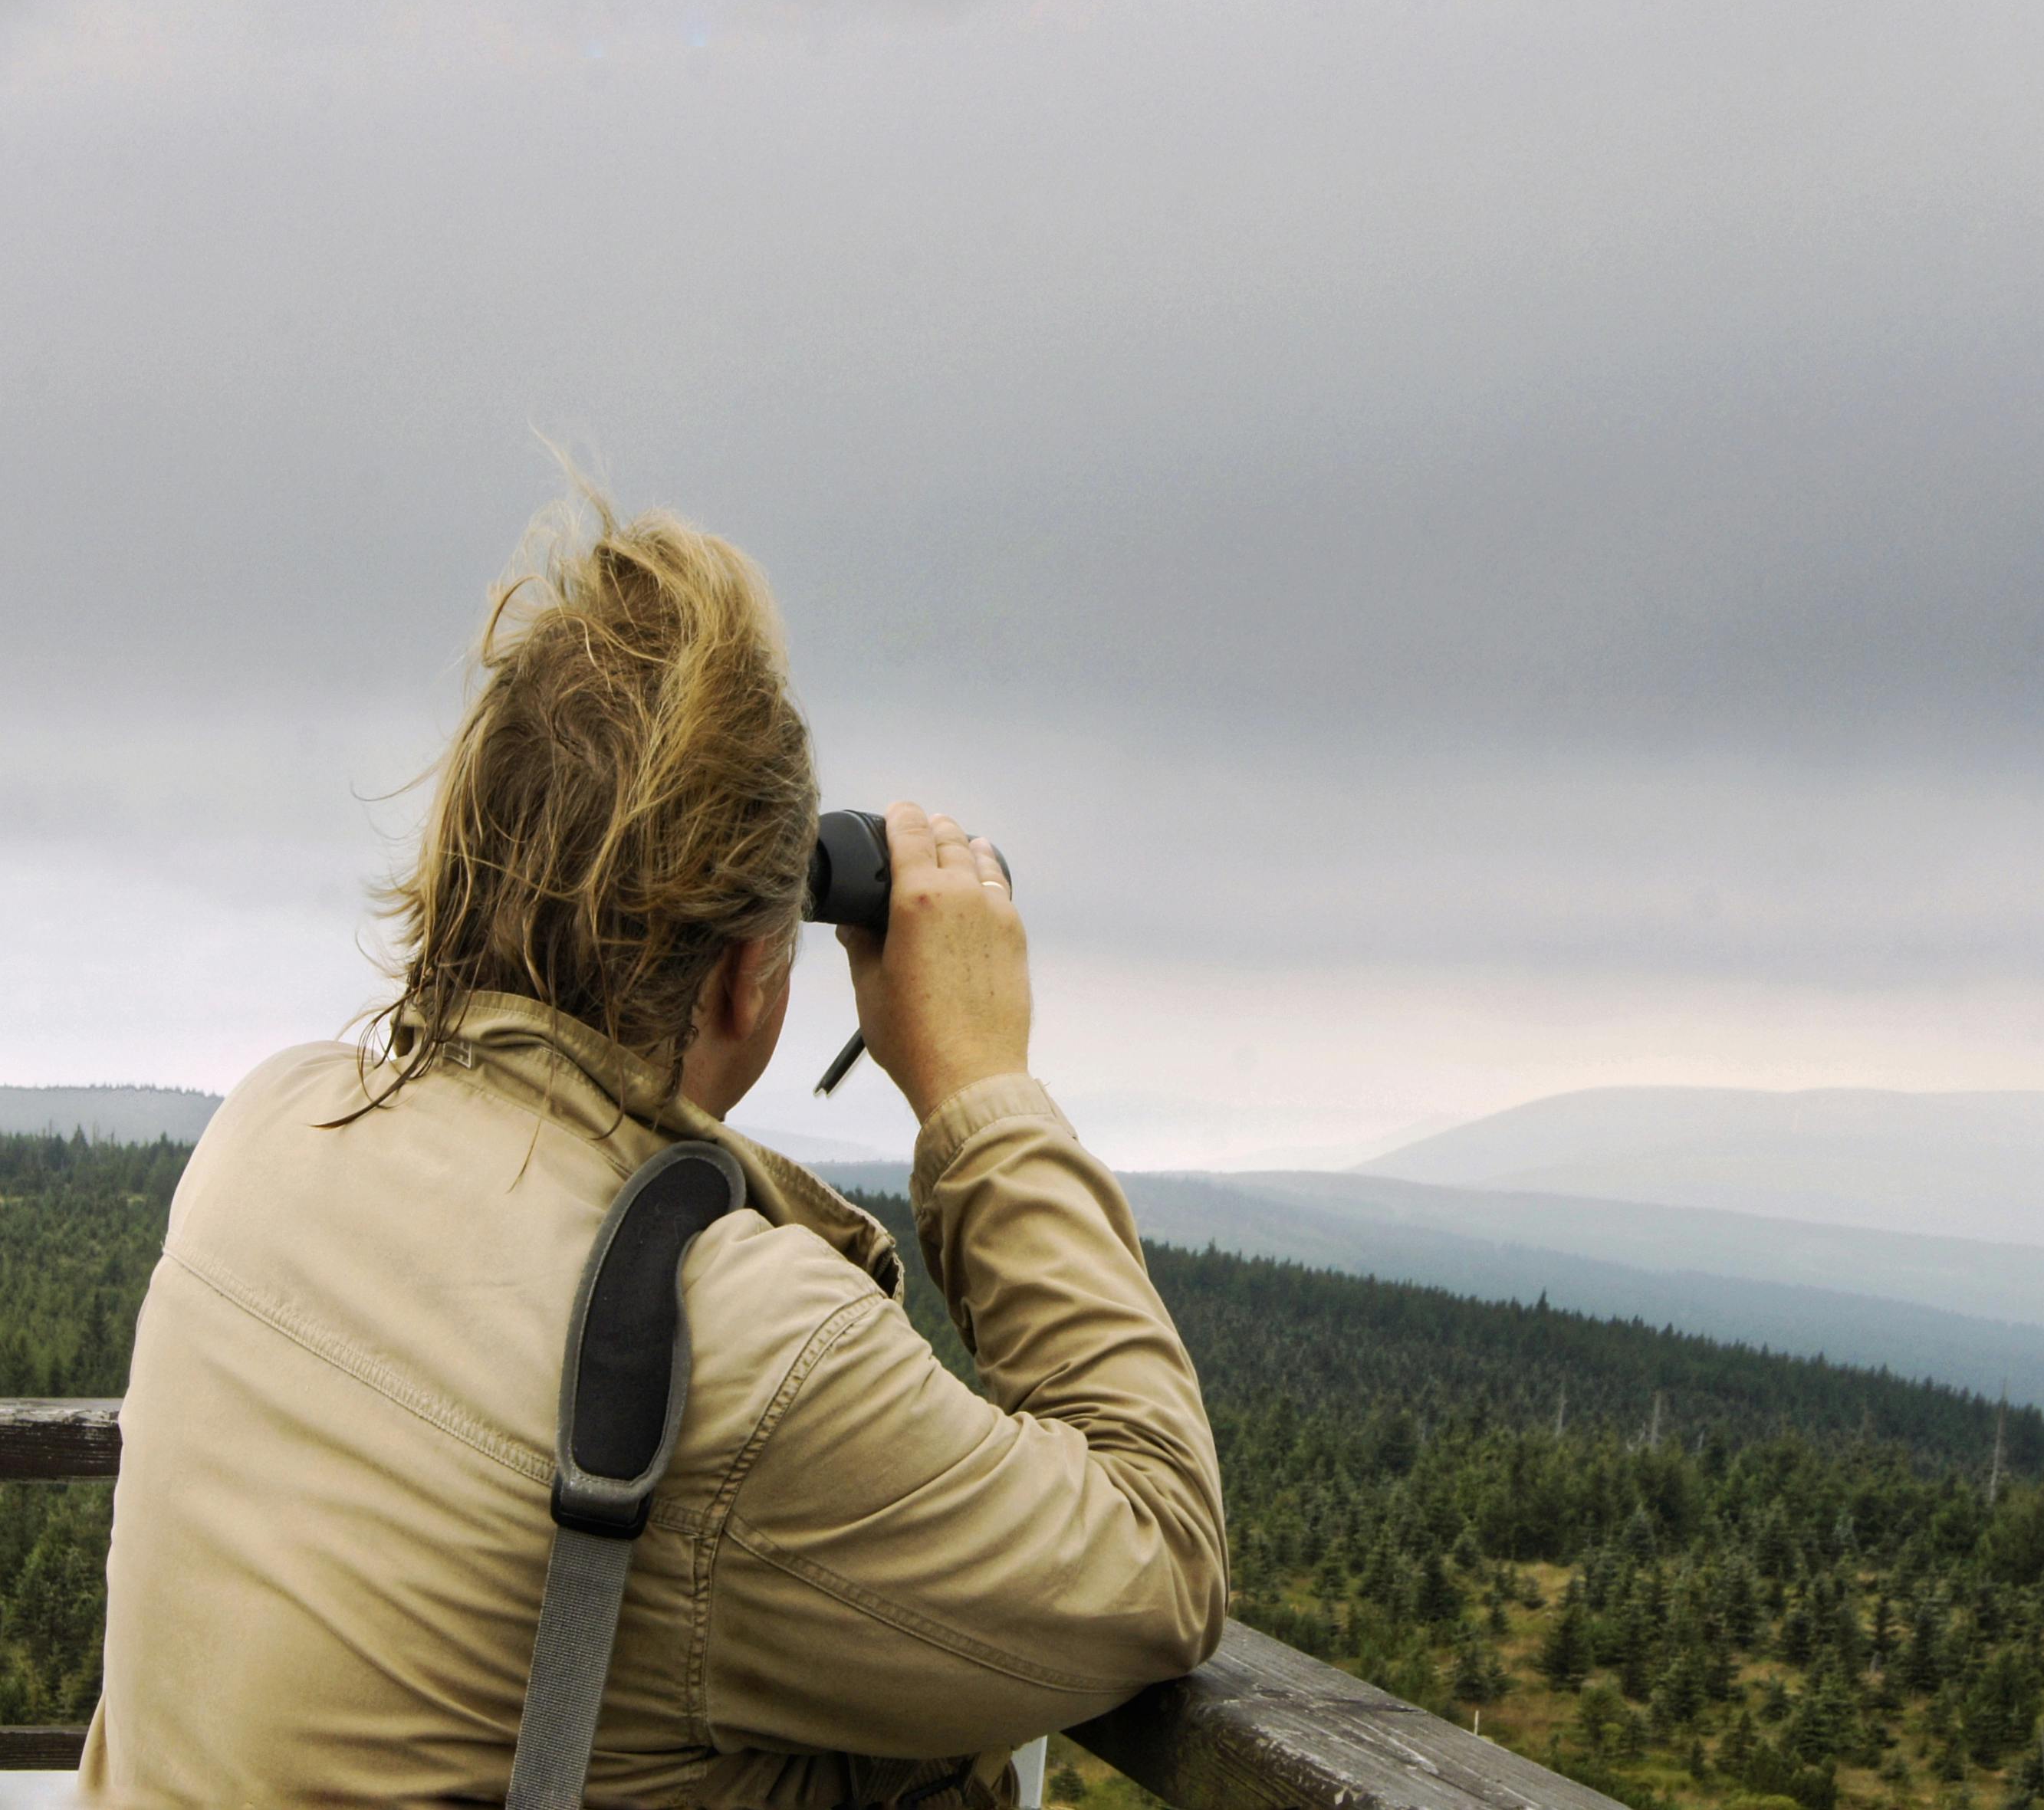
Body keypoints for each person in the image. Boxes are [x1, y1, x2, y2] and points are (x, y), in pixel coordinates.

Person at [80, 501, 1226, 1805]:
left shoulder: (269, 1131)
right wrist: (978, 1086)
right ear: (748, 977)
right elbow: (1161, 1551)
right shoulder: (736, 1339)